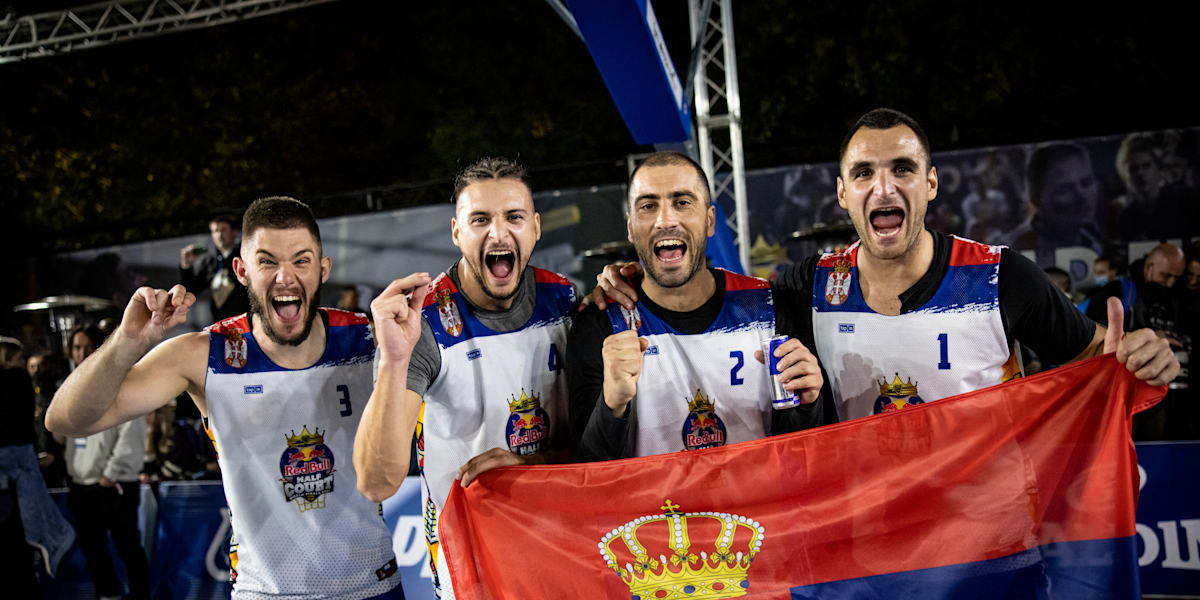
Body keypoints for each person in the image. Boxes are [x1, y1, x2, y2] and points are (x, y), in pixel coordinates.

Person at [594, 108, 1178, 425]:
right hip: (867, 554)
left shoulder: (1002, 276)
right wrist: (629, 281)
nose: (883, 187)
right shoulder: (808, 286)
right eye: (864, 174)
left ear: (930, 183)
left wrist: (1143, 357)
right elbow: (706, 294)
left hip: (990, 551)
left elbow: (1097, 359)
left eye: (901, 169)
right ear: (843, 195)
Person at [47, 197, 406, 599]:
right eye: (267, 261)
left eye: (301, 261)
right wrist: (127, 343)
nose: (285, 277)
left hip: (372, 587)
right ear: (242, 270)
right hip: (264, 592)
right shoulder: (207, 354)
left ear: (323, 269)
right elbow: (65, 419)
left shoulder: (372, 339)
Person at [354, 157, 576, 600]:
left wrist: (529, 466)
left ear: (535, 227)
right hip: (474, 568)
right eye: (480, 220)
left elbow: (600, 444)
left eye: (513, 217)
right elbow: (377, 482)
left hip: (563, 551)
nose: (498, 233)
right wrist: (393, 362)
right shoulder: (425, 323)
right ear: (457, 233)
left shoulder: (566, 300)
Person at [567, 152, 824, 461]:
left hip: (750, 509)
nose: (665, 220)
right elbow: (586, 468)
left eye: (682, 202)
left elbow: (799, 450)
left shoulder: (766, 306)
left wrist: (810, 404)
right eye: (648, 206)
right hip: (655, 511)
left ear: (710, 220)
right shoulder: (600, 324)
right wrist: (612, 405)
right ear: (631, 228)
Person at [60, 326, 149, 600]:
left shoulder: (120, 380)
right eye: (76, 347)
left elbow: (131, 432)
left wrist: (111, 474)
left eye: (87, 347)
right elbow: (65, 433)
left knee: (128, 548)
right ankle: (108, 595)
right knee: (93, 550)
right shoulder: (69, 384)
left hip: (114, 484)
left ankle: (139, 596)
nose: (82, 353)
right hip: (81, 484)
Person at [1087, 243, 1192, 439]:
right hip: (1127, 396)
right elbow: (1094, 340)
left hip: (1172, 395)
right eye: (1166, 275)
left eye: (1176, 278)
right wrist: (1148, 337)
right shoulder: (1120, 292)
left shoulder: (1177, 298)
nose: (1170, 283)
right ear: (1149, 267)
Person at [0, 336, 75, 596]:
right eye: (20, 360)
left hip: (17, 472)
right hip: (18, 467)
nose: (25, 367)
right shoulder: (18, 380)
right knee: (25, 545)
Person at [1005, 142, 1105, 266]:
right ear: (1037, 198)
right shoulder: (1014, 250)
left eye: (1086, 183)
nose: (1081, 197)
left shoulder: (1093, 241)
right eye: (1064, 190)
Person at [180, 213, 251, 323]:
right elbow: (191, 289)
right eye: (215, 231)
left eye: (223, 230)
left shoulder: (246, 256)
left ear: (234, 232)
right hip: (220, 324)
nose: (219, 235)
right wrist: (187, 266)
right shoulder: (210, 261)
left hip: (246, 322)